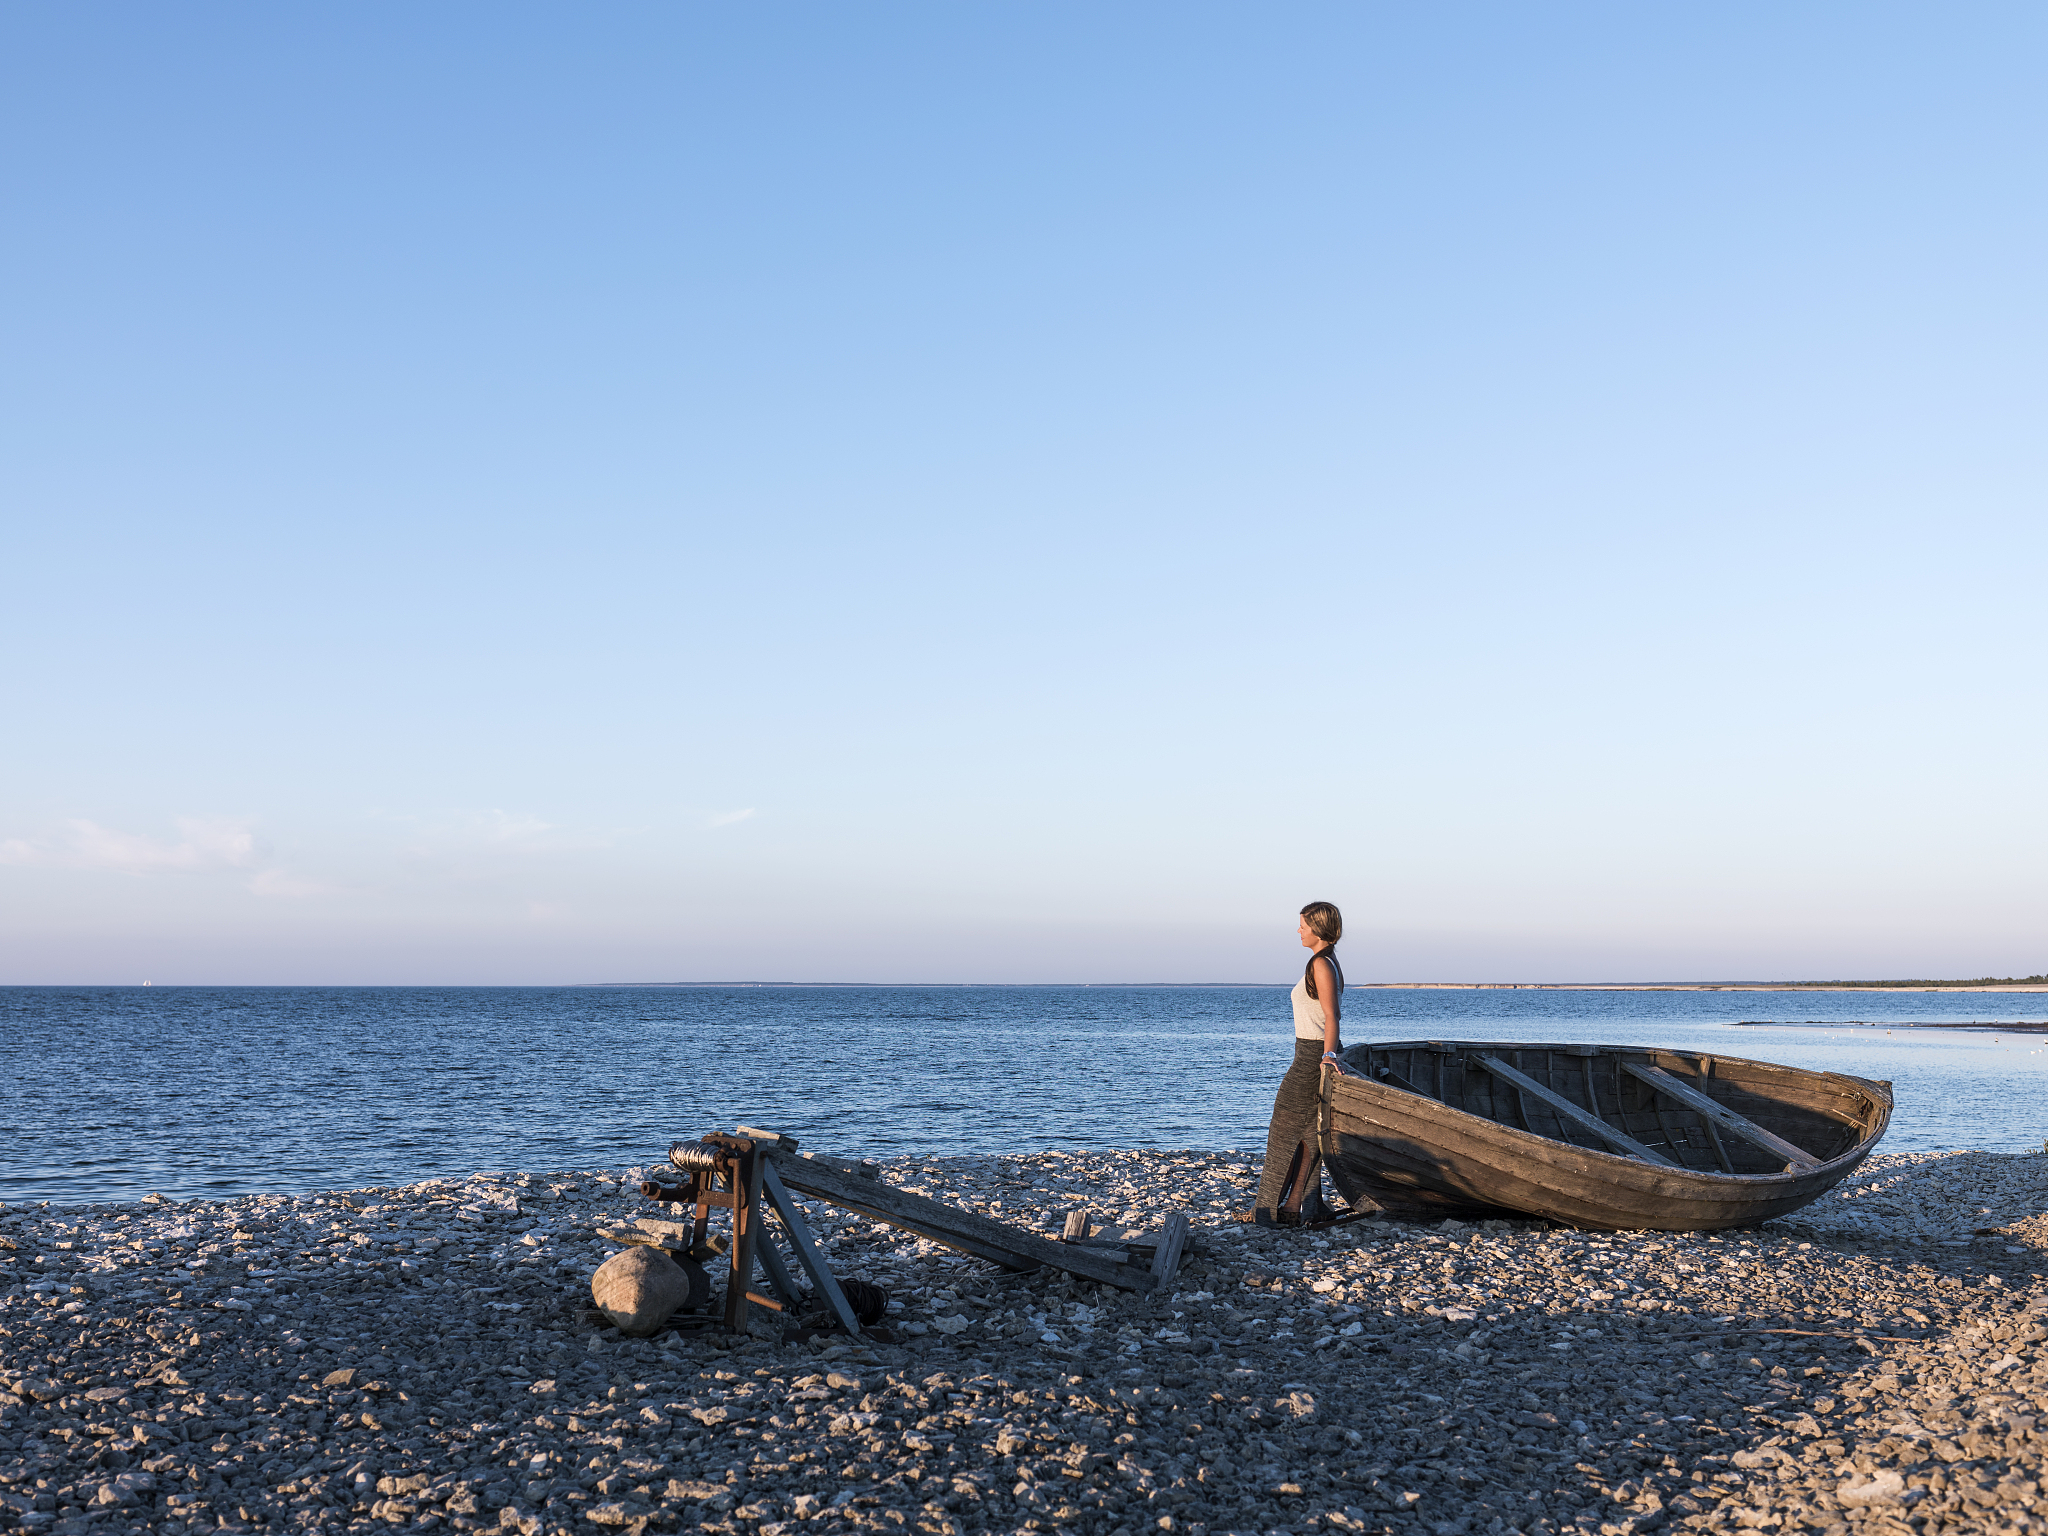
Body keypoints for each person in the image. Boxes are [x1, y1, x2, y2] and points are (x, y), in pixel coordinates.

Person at [1243, 901, 1344, 1224]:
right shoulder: (1324, 961)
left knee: (1283, 1131)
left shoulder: (1321, 963)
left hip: (1313, 1056)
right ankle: (1297, 1208)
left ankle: (1266, 1211)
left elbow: (1332, 1015)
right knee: (1310, 1134)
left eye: (1303, 925)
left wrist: (1328, 1056)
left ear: (1318, 928)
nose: (1298, 930)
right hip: (1310, 1052)